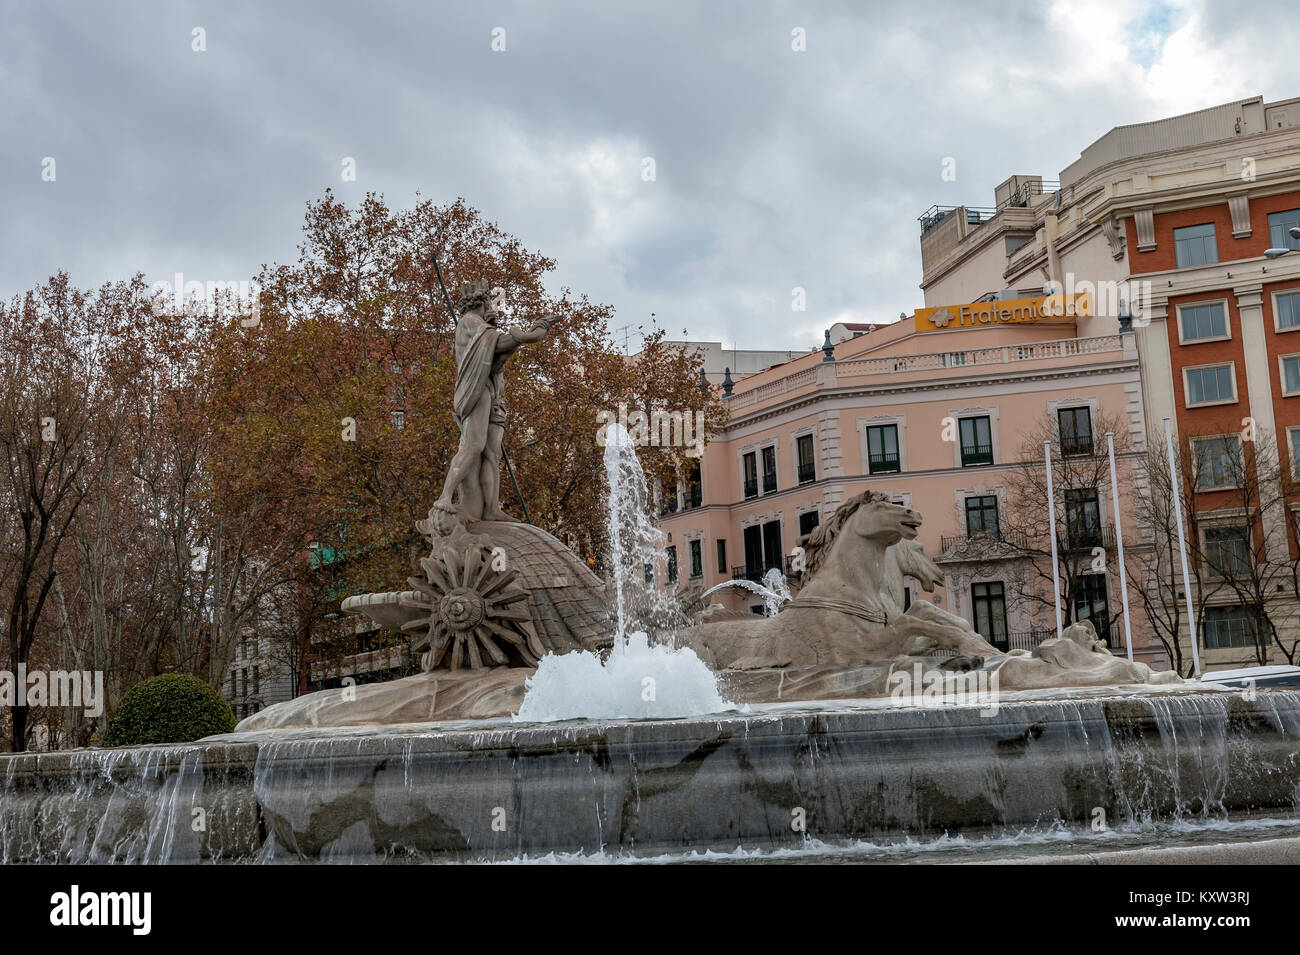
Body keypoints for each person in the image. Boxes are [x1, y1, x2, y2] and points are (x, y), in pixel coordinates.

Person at [433, 279, 560, 529]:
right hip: (476, 390)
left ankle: (491, 508)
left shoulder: (481, 326)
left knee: (491, 452)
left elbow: (499, 346)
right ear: (482, 302)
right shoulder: (470, 320)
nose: (493, 306)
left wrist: (527, 333)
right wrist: (530, 332)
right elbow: (500, 342)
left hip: (492, 394)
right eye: (490, 302)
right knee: (474, 445)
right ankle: (445, 497)